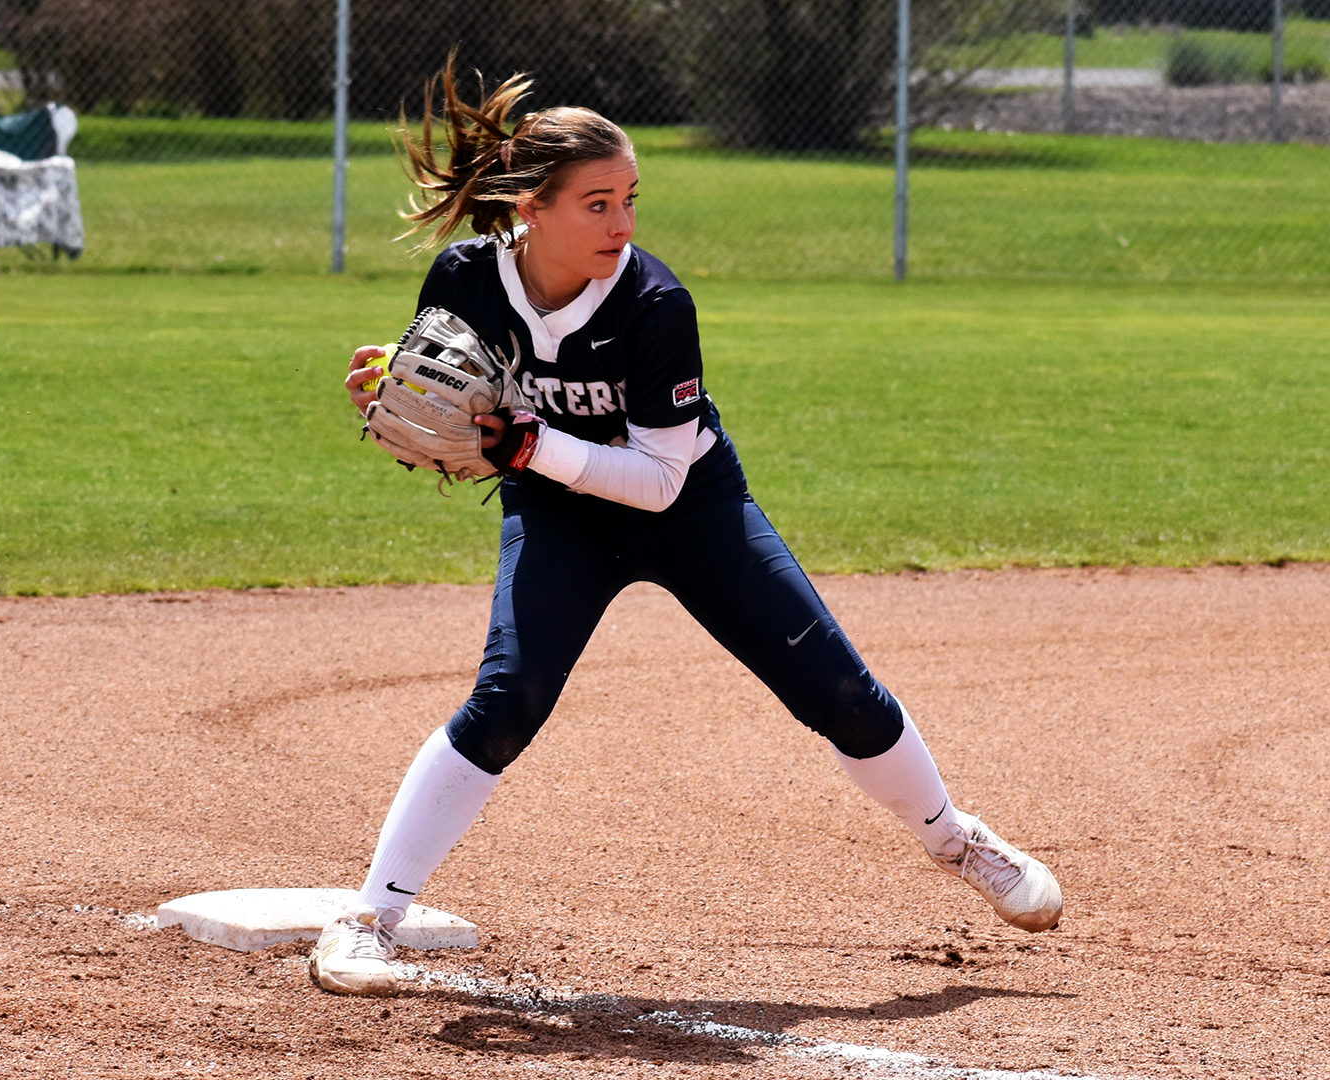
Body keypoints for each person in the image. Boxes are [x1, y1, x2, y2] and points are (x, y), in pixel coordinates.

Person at [309, 62, 1063, 996]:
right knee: (508, 698)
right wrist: (402, 389)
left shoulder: (654, 304)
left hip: (690, 510)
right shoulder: (466, 276)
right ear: (530, 208)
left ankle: (958, 841)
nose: (623, 224)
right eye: (596, 203)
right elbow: (453, 390)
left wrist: (524, 445)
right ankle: (369, 919)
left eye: (630, 199)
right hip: (558, 515)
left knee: (837, 690)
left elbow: (660, 482)